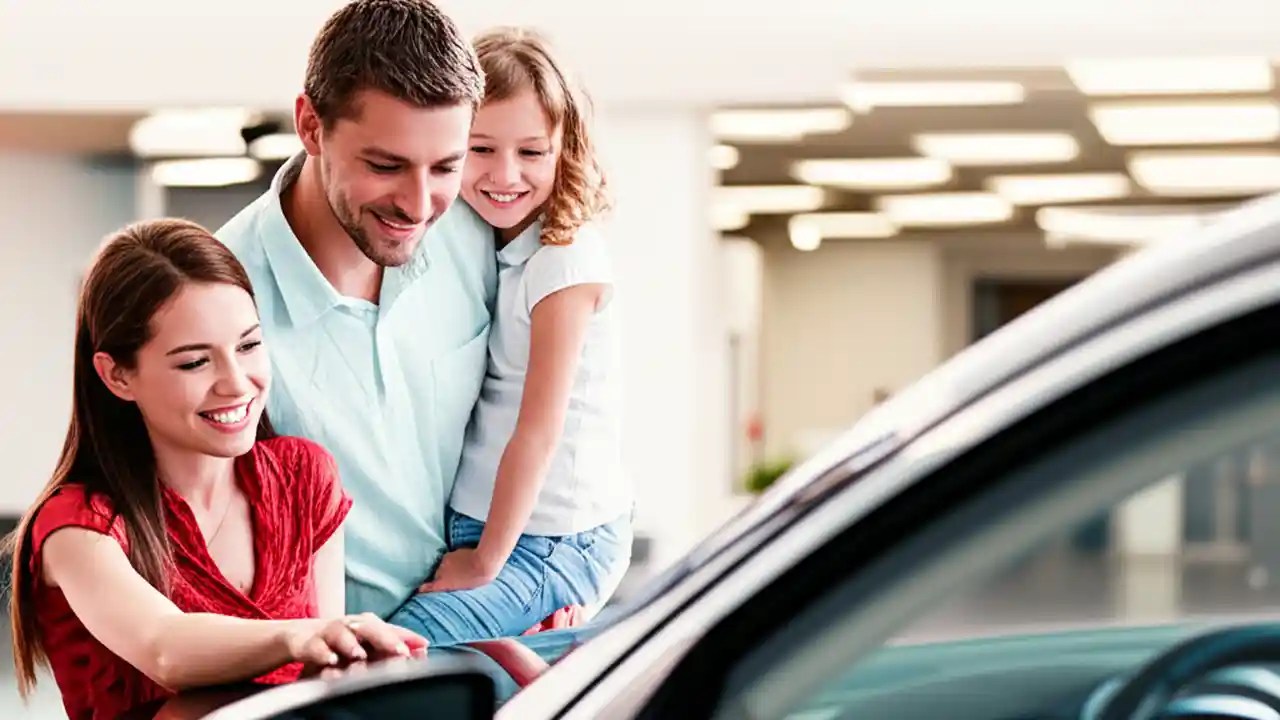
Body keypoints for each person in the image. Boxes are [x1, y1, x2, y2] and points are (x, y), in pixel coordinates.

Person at [4, 220, 426, 720]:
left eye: (248, 346)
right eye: (194, 363)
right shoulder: (78, 526)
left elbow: (324, 682)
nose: (236, 384)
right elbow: (166, 649)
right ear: (117, 375)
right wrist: (300, 635)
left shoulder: (303, 476)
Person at [215, 0, 500, 627]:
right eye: (385, 165)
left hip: (494, 638)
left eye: (446, 167)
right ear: (311, 126)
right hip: (340, 676)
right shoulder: (218, 296)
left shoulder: (476, 236)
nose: (419, 204)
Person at [389, 27, 633, 644]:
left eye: (532, 152)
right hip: (486, 521)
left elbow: (540, 427)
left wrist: (486, 561)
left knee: (394, 664)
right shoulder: (487, 242)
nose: (506, 174)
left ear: (564, 151)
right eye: (482, 149)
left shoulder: (564, 258)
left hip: (550, 537)